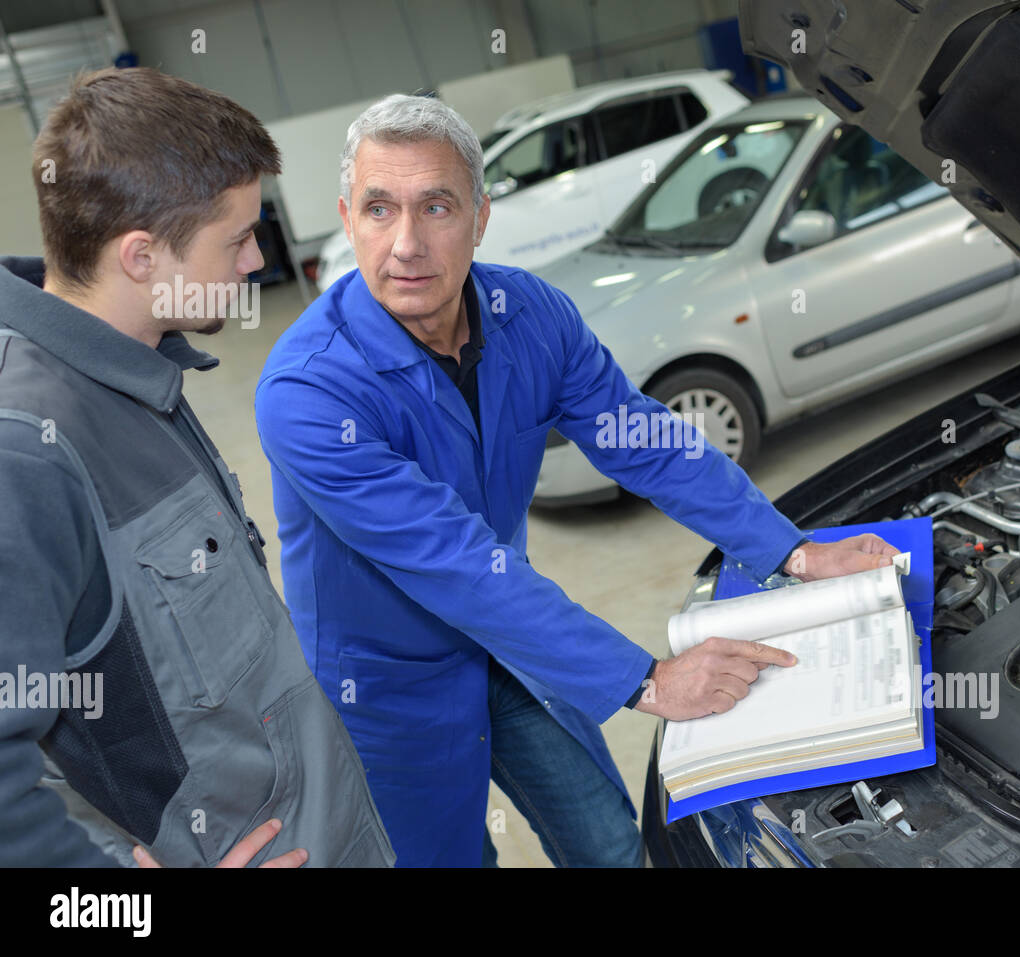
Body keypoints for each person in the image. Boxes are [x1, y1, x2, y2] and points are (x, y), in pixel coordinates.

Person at [255, 93, 900, 867]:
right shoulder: (310, 390)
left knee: (611, 846)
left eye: (437, 206)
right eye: (379, 209)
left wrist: (788, 551)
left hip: (517, 642)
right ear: (346, 217)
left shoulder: (530, 316)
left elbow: (645, 440)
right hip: (385, 689)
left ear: (482, 216)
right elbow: (454, 561)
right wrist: (651, 681)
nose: (407, 243)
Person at [0, 67, 394, 867]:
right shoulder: (29, 453)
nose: (256, 259)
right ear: (142, 255)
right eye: (237, 237)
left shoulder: (139, 370)